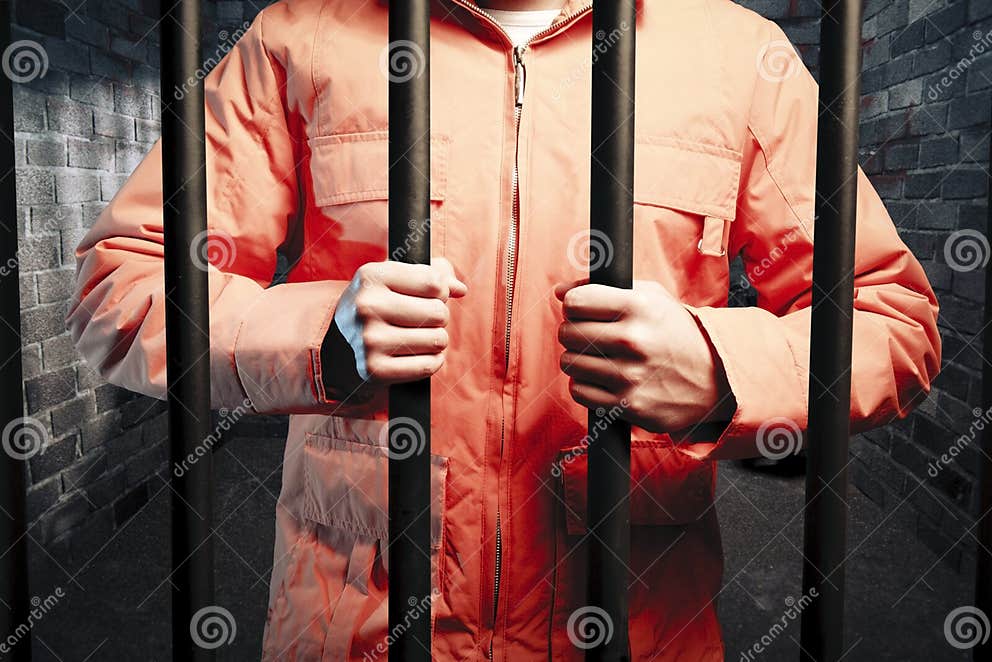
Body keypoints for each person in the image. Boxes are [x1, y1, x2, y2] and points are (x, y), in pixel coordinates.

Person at [66, 0, 941, 659]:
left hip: (633, 621)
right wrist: (320, 337)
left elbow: (891, 322)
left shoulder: (734, 52)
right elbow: (122, 288)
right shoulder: (300, 36)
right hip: (359, 622)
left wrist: (719, 369)